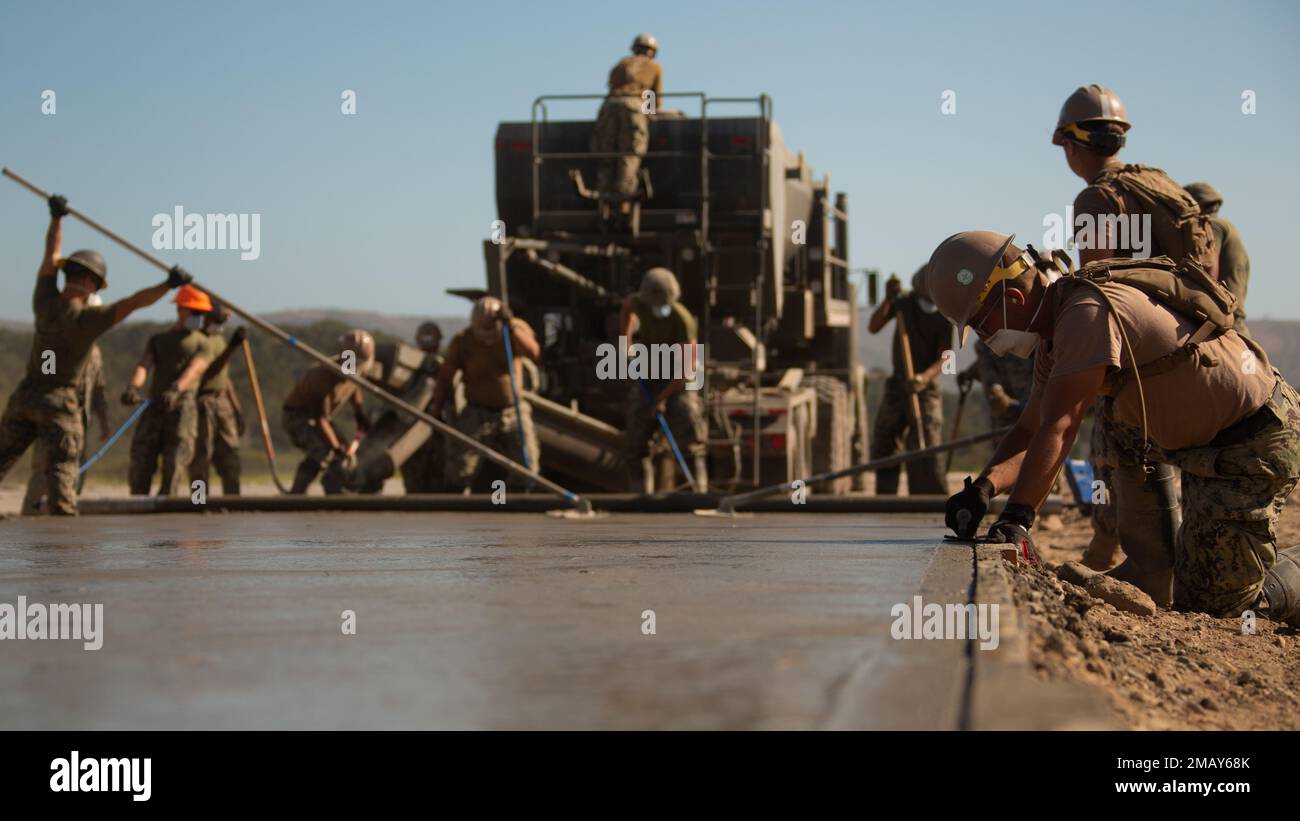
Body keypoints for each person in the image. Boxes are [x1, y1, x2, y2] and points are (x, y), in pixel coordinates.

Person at [931, 230, 1300, 624]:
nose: (987, 340)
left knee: (1219, 608)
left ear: (1013, 299)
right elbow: (1029, 430)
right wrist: (984, 490)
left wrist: (1018, 518)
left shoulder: (1086, 312)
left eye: (982, 326)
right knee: (1116, 420)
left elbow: (1061, 426)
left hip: (1253, 442)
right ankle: (1150, 568)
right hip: (1194, 441)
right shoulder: (1054, 333)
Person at [1054, 84, 1218, 571]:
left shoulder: (1097, 199)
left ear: (1073, 143)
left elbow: (1098, 285)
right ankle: (1120, 549)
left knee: (1117, 442)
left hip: (1141, 346)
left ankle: (1143, 562)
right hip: (1198, 338)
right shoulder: (1159, 184)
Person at [0, 193, 186, 515]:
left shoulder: (43, 302)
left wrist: (56, 219)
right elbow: (132, 303)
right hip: (59, 404)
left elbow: (49, 255)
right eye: (96, 287)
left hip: (25, 397)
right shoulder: (87, 321)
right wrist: (168, 285)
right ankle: (61, 539)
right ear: (89, 282)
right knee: (62, 471)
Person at [433, 298, 540, 492]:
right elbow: (444, 378)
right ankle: (455, 500)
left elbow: (533, 351)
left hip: (512, 411)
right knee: (461, 466)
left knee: (527, 464)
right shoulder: (463, 341)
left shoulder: (512, 333)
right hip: (477, 411)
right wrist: (437, 409)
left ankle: (519, 500)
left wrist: (511, 327)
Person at [618, 268, 707, 493]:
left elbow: (686, 370)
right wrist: (625, 345)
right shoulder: (640, 303)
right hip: (651, 373)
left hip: (679, 380)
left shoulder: (682, 319)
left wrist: (662, 398)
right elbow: (626, 307)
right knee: (636, 442)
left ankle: (697, 492)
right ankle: (640, 495)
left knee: (687, 429)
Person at [867, 267, 952, 495]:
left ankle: (926, 495)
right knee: (885, 439)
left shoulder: (946, 314)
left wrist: (923, 378)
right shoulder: (904, 304)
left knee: (925, 440)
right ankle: (886, 494)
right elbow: (873, 327)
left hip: (925, 388)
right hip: (898, 384)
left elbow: (946, 357)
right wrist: (887, 300)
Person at [125, 284, 214, 496]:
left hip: (182, 407)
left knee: (175, 460)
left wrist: (176, 389)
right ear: (181, 310)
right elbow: (144, 365)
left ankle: (166, 503)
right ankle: (138, 502)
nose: (199, 317)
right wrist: (133, 387)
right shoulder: (159, 340)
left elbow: (195, 369)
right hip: (155, 405)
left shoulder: (203, 342)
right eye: (195, 312)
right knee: (141, 459)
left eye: (202, 313)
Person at [282, 330, 374, 494]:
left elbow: (353, 386)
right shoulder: (320, 377)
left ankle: (334, 488)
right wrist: (336, 448)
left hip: (323, 418)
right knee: (322, 451)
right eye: (349, 361)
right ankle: (297, 493)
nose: (352, 367)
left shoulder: (360, 368)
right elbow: (320, 420)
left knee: (347, 453)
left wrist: (359, 412)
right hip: (299, 416)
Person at [21, 340, 108, 514]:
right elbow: (43, 381)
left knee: (74, 475)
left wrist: (104, 421)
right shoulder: (52, 345)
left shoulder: (94, 351)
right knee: (43, 471)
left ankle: (63, 522)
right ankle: (31, 516)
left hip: (79, 426)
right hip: (52, 422)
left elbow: (98, 389)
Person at [591, 33, 662, 204]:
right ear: (652, 51)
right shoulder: (654, 67)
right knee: (630, 153)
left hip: (608, 106)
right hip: (634, 106)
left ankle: (603, 198)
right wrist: (650, 115)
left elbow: (611, 86)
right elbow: (652, 97)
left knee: (606, 153)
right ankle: (623, 200)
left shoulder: (621, 64)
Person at [189, 302, 247, 495]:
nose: (218, 325)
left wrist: (237, 408)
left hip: (222, 403)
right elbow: (209, 372)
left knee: (231, 455)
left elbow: (224, 378)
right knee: (201, 457)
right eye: (216, 320)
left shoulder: (219, 340)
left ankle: (233, 501)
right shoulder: (197, 341)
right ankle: (199, 500)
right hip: (202, 402)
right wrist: (231, 347)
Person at [1185, 181, 1251, 337]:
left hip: (1224, 317)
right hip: (1233, 314)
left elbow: (1209, 266)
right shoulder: (1227, 226)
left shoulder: (1212, 226)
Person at [400, 321, 446, 493]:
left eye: (431, 335)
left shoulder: (447, 364)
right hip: (412, 424)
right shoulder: (407, 366)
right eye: (424, 334)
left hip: (440, 425)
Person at [957, 339, 1034, 429]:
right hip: (1004, 416)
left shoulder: (1030, 336)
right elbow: (985, 365)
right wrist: (968, 374)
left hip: (1031, 407)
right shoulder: (986, 342)